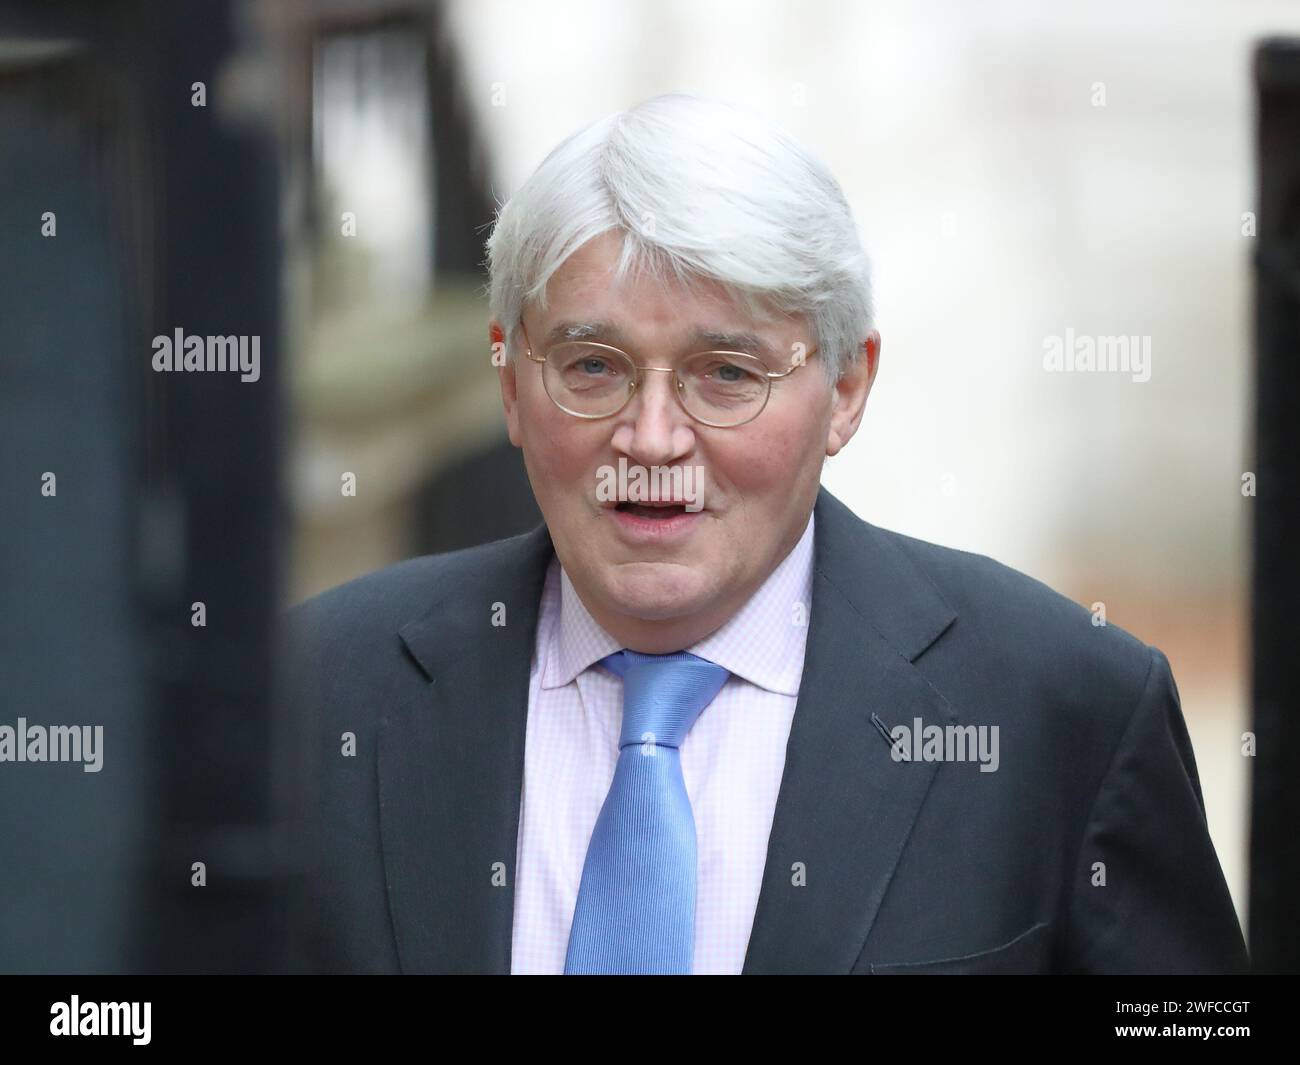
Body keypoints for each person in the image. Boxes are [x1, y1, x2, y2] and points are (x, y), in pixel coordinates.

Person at [283, 92, 1248, 974]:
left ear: (848, 387)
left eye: (727, 375)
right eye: (590, 366)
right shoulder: (318, 690)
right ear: (508, 383)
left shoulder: (1062, 710)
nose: (651, 437)